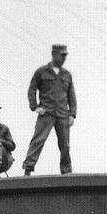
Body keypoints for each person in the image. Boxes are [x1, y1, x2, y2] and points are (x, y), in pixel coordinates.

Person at [22, 44, 76, 175]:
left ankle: (66, 171)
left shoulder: (67, 74)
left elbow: (71, 95)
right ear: (54, 54)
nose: (63, 58)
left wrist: (72, 114)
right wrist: (35, 107)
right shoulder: (41, 71)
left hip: (63, 114)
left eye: (65, 56)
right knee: (38, 140)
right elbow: (32, 89)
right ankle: (28, 168)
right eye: (61, 55)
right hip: (47, 112)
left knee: (65, 145)